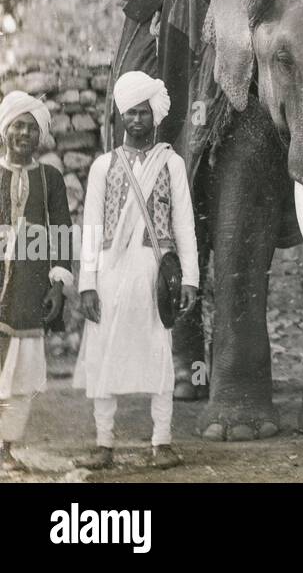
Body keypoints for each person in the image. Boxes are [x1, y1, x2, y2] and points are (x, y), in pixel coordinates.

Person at [73, 73, 199, 471]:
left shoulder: (172, 163)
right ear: (121, 115)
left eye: (144, 113)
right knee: (103, 354)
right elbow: (91, 227)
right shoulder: (102, 167)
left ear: (155, 116)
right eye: (131, 113)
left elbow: (184, 226)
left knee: (158, 353)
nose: (138, 121)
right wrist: (87, 284)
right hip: (110, 272)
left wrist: (191, 278)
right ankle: (103, 443)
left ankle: (161, 441)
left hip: (153, 271)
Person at [0, 93, 73, 473]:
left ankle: (6, 447)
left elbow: (61, 231)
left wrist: (57, 283)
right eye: (17, 125)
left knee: (21, 371)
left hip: (30, 287)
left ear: (40, 134)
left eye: (31, 126)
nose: (24, 133)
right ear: (5, 130)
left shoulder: (50, 179)